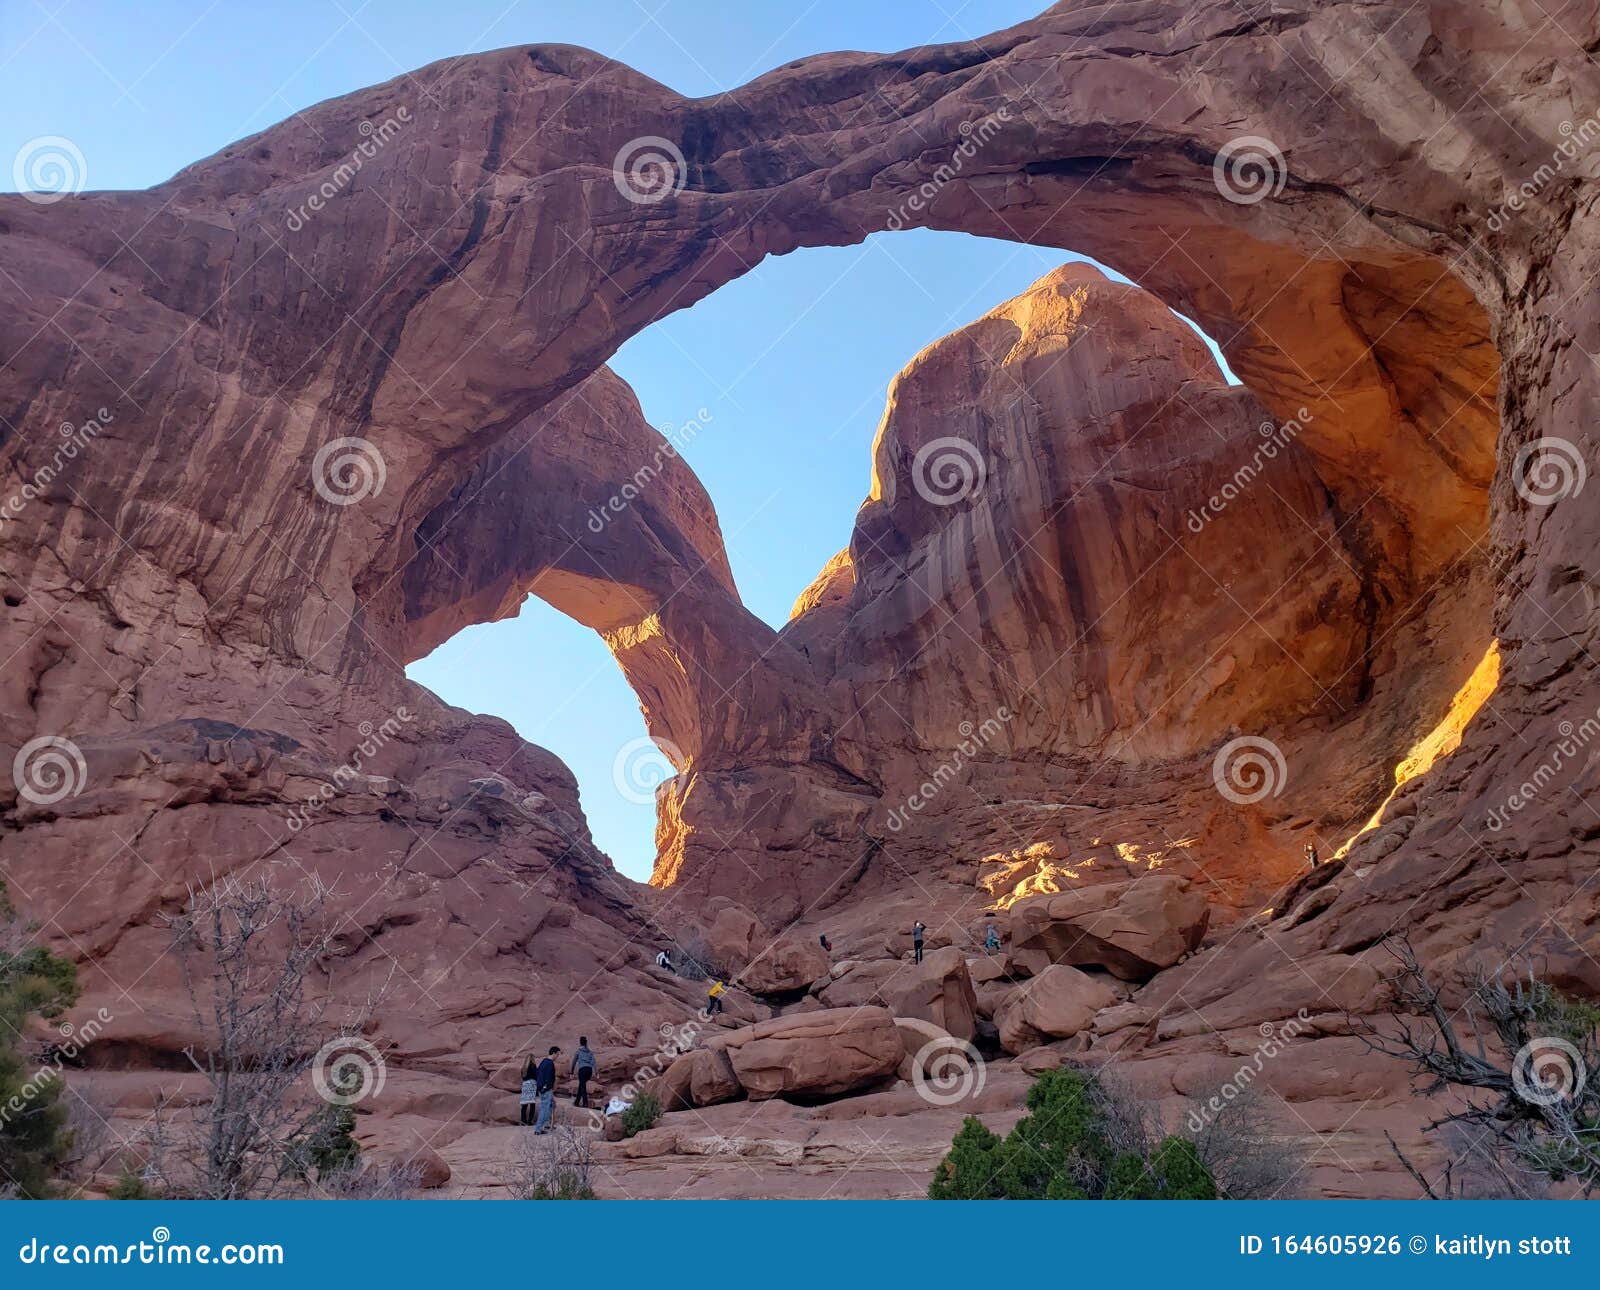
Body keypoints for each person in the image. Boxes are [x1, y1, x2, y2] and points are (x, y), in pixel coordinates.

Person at [533, 1045, 560, 1134]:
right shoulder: (549, 1063)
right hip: (546, 1089)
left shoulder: (544, 1062)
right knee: (544, 1108)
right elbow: (549, 1078)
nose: (557, 1056)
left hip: (542, 1088)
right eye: (557, 1054)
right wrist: (546, 1087)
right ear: (553, 1053)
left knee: (552, 1104)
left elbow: (537, 1073)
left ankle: (547, 1123)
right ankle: (538, 1129)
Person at [571, 1036, 596, 1108]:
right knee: (581, 1085)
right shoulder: (590, 1052)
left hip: (582, 1070)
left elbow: (574, 1062)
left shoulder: (578, 1051)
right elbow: (594, 1062)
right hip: (589, 1070)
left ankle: (585, 1103)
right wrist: (596, 1072)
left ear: (580, 1042)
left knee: (583, 1086)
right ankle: (577, 1102)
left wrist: (571, 1072)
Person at [518, 1051, 540, 1127]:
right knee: (532, 1103)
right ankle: (529, 1121)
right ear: (532, 1059)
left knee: (524, 1103)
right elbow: (537, 1075)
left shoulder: (523, 1068)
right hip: (532, 1084)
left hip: (525, 1085)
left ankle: (523, 1120)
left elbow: (522, 1077)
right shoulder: (533, 1066)